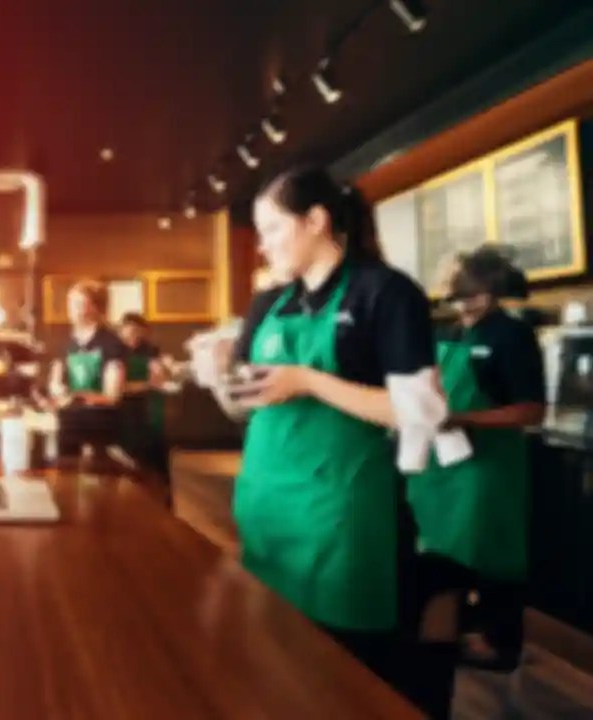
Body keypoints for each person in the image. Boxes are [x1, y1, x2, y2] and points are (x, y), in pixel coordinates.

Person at [214, 166, 443, 713]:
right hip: (268, 507)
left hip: (341, 516)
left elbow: (422, 412)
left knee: (338, 681)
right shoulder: (268, 305)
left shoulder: (384, 293)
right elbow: (240, 407)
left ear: (315, 221)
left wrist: (309, 380)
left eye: (271, 230)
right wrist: (220, 379)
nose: (264, 247)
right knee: (269, 669)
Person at [407, 246, 544, 673]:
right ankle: (451, 633)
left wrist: (464, 418)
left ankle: (501, 644)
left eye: (459, 279)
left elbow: (531, 410)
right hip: (440, 467)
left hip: (489, 468)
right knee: (441, 556)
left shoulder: (511, 335)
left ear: (486, 286)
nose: (451, 287)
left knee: (492, 555)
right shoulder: (448, 333)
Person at [49, 280, 126, 459]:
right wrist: (57, 392)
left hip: (100, 424)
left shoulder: (111, 344)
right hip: (69, 423)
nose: (71, 309)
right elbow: (55, 380)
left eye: (78, 303)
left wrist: (77, 397)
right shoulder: (66, 344)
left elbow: (112, 395)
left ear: (95, 307)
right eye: (70, 303)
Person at [116, 313, 171, 485]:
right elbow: (119, 387)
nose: (135, 336)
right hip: (124, 411)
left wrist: (164, 368)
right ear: (121, 331)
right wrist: (147, 384)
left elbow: (161, 376)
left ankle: (162, 498)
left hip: (150, 410)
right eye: (130, 332)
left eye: (139, 332)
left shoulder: (149, 349)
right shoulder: (115, 352)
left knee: (156, 459)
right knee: (130, 459)